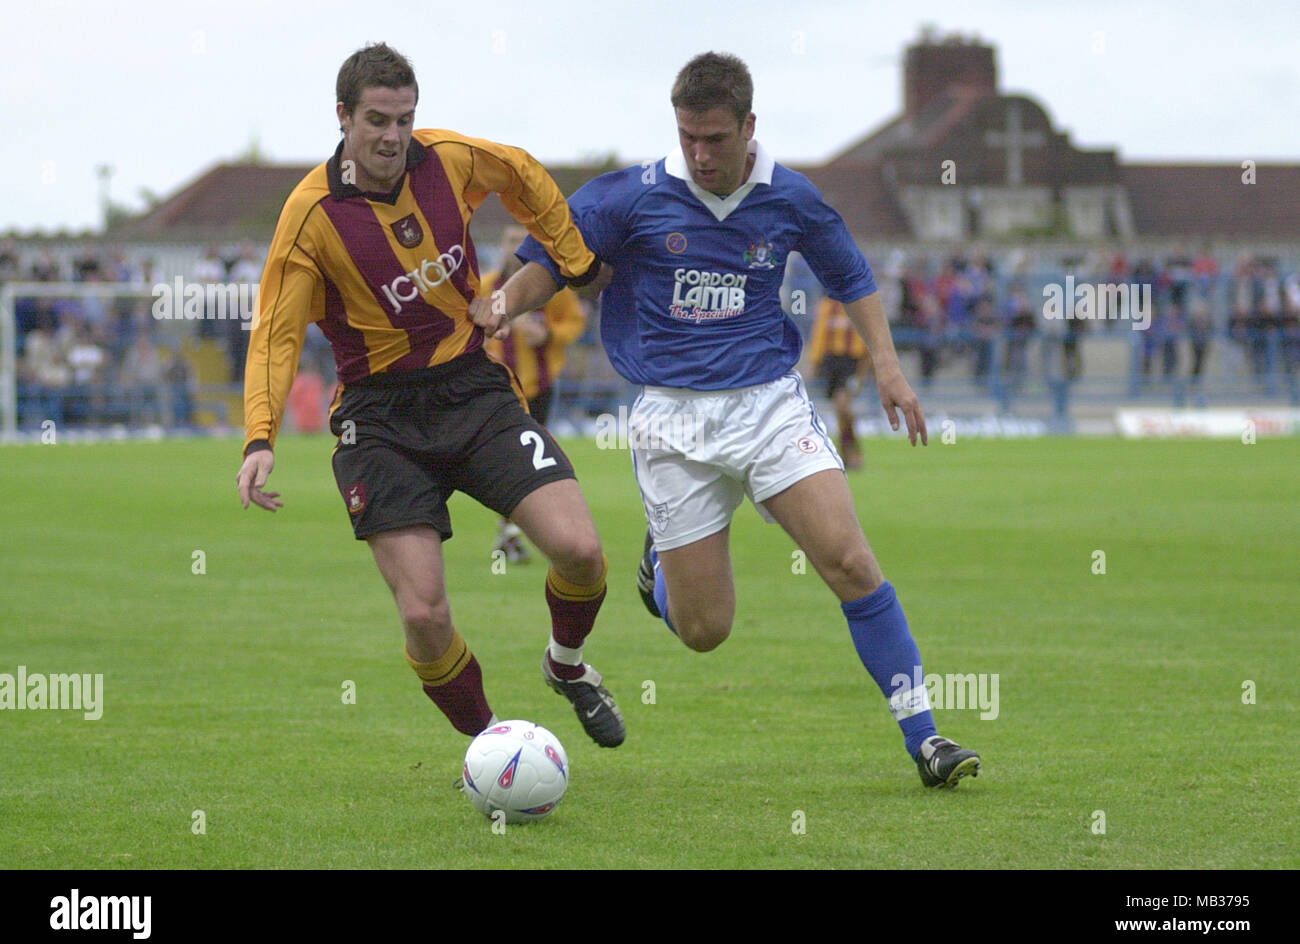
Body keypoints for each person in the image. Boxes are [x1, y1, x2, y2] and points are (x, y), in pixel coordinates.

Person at [501, 52, 979, 788]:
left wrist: (886, 363)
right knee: (704, 632)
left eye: (716, 138)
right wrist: (497, 306)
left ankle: (927, 737)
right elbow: (549, 261)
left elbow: (850, 274)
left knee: (850, 561)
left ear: (749, 126)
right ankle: (659, 566)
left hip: (768, 406)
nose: (700, 153)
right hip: (673, 423)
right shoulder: (629, 196)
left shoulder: (790, 196)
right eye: (688, 136)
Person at [236, 42, 625, 752]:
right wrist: (259, 436)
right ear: (343, 117)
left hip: (472, 388)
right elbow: (276, 333)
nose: (392, 136)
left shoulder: (447, 158)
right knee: (423, 612)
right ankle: (494, 745)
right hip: (379, 420)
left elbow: (525, 174)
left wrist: (575, 258)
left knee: (582, 551)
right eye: (377, 120)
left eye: (404, 119)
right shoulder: (311, 215)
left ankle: (566, 667)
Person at [481, 224, 588, 562]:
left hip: (540, 385)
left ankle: (512, 532)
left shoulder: (551, 287)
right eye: (510, 241)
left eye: (521, 241)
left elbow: (574, 322)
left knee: (530, 456)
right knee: (510, 455)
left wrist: (549, 335)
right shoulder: (487, 286)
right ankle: (512, 532)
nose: (515, 248)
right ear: (502, 245)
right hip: (498, 385)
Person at [805, 296, 870, 469]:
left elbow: (866, 339)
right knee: (841, 410)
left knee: (842, 406)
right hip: (830, 362)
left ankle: (849, 453)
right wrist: (814, 362)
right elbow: (819, 334)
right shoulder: (827, 305)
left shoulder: (857, 304)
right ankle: (850, 450)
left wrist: (862, 372)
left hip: (850, 362)